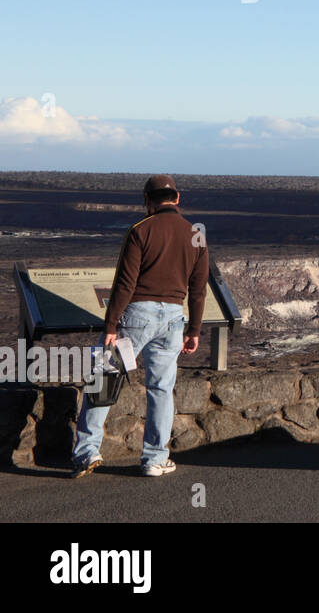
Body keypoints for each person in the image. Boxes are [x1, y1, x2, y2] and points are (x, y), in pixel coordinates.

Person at [71, 175, 207, 478]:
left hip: (137, 315)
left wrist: (111, 323)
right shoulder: (196, 234)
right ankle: (155, 459)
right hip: (174, 318)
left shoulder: (140, 230)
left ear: (147, 200)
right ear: (177, 197)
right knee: (161, 388)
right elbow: (198, 289)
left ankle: (87, 451)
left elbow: (125, 282)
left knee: (104, 377)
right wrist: (194, 330)